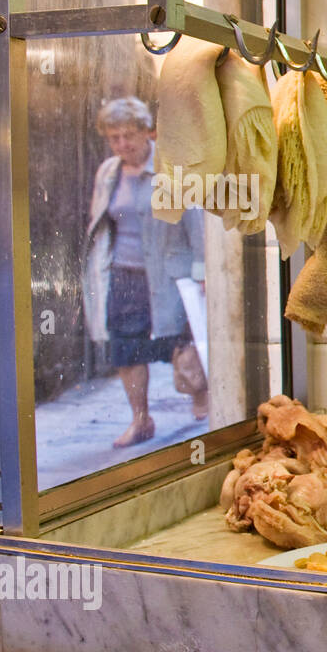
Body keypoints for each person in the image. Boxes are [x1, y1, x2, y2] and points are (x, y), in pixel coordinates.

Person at [83, 97, 208, 448]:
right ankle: (140, 419)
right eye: (113, 138)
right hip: (125, 273)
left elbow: (194, 217)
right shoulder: (109, 172)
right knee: (126, 346)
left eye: (128, 136)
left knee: (182, 341)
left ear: (146, 132)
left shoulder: (170, 166)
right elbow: (100, 222)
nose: (122, 144)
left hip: (168, 272)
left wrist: (201, 270)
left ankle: (202, 401)